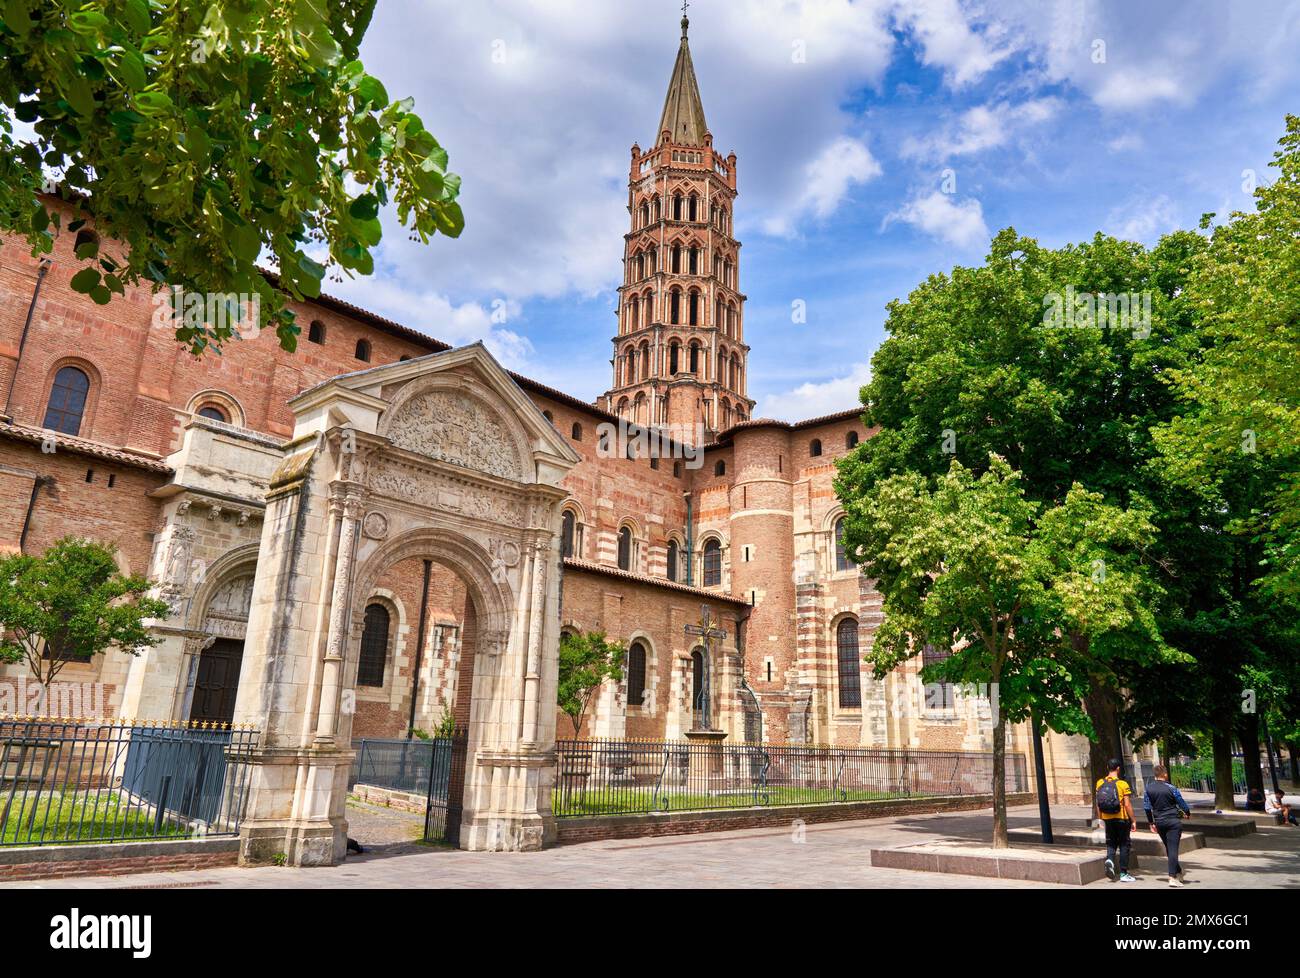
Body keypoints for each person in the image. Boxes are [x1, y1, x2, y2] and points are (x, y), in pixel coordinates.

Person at [1143, 764, 1191, 887]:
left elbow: (1147, 808)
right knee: (1173, 849)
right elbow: (1181, 802)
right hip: (1173, 822)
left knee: (1170, 849)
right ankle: (1172, 877)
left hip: (1159, 822)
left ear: (1155, 775)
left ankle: (1179, 872)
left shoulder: (1148, 789)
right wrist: (1187, 812)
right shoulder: (1171, 788)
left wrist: (1151, 823)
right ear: (1164, 774)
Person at [1095, 757, 1136, 882]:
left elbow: (1098, 803)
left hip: (1107, 818)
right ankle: (1123, 873)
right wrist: (1133, 820)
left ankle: (1109, 860)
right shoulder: (1122, 784)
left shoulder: (1099, 783)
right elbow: (1127, 805)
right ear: (1118, 769)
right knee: (1124, 844)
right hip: (1121, 818)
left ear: (1108, 768)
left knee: (1111, 842)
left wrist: (1100, 819)